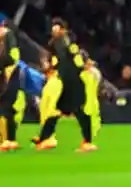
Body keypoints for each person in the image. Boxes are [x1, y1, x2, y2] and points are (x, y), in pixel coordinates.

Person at [33, 18, 97, 152]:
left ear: (63, 29)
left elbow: (76, 57)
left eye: (57, 27)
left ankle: (88, 141)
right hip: (65, 83)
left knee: (79, 113)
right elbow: (56, 61)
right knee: (57, 112)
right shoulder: (56, 45)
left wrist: (83, 65)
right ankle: (44, 138)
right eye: (53, 28)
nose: (54, 30)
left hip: (73, 83)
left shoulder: (68, 42)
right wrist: (49, 65)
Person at [0, 20, 24, 151]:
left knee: (5, 107)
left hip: (11, 75)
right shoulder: (4, 42)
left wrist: (7, 74)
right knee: (7, 109)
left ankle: (7, 140)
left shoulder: (9, 37)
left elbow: (14, 58)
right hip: (8, 74)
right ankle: (9, 140)